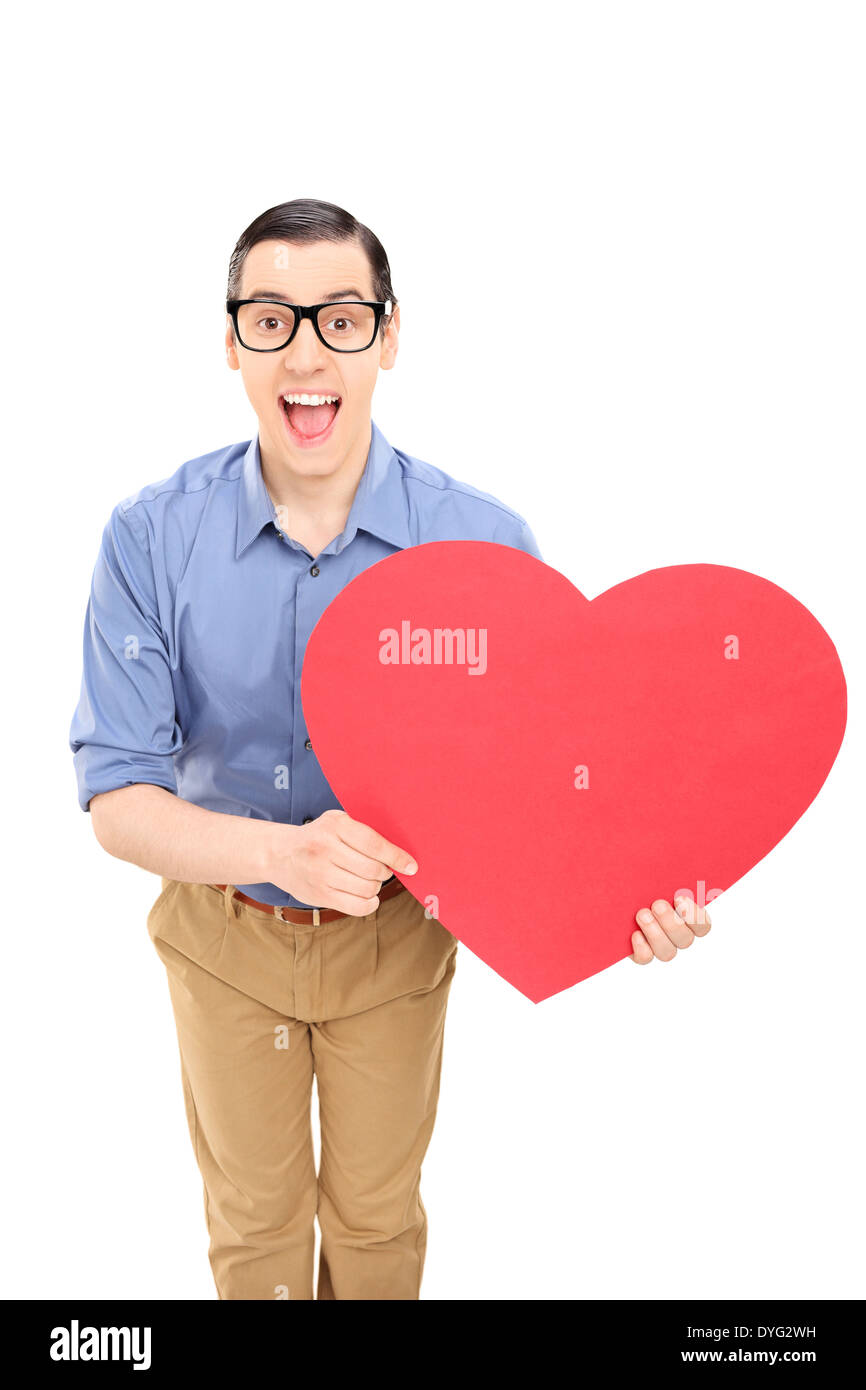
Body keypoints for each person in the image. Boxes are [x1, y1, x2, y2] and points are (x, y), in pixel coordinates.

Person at [69, 197, 711, 1302]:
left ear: (390, 335)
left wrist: (634, 901)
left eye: (341, 319)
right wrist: (280, 852)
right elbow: (117, 797)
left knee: (375, 1227)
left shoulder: (482, 543)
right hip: (224, 933)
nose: (307, 351)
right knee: (254, 1229)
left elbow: (556, 783)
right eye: (271, 319)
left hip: (399, 941)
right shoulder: (149, 536)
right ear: (230, 342)